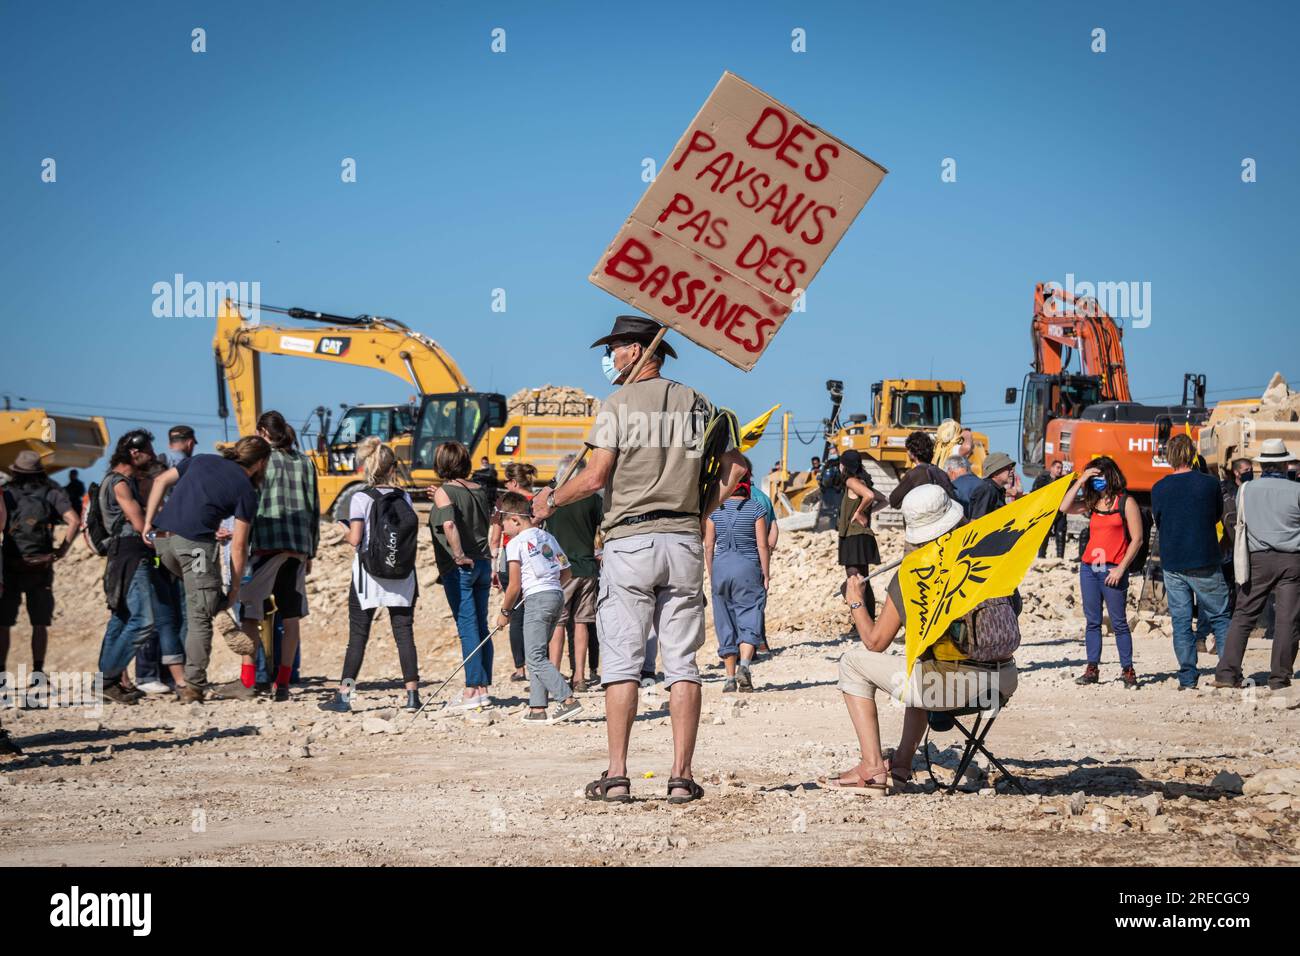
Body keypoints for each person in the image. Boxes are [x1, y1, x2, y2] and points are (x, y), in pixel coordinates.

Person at [531, 314, 746, 804]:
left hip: (630, 542)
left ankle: (617, 774)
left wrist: (550, 501)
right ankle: (681, 777)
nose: (611, 358)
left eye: (616, 348)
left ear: (637, 350)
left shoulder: (618, 403)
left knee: (624, 663)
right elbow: (734, 467)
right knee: (683, 663)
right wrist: (699, 510)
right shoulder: (697, 402)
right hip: (684, 541)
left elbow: (595, 477)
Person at [826, 485, 1020, 793]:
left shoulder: (915, 575)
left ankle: (873, 767)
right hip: (1003, 684)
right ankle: (901, 764)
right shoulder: (989, 559)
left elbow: (875, 642)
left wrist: (855, 601)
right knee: (920, 657)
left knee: (852, 663)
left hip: (955, 690)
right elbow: (1015, 607)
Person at [143, 436, 270, 702]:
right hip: (196, 549)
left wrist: (147, 523)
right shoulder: (246, 490)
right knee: (200, 616)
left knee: (199, 593)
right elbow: (238, 546)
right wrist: (234, 589)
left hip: (163, 544)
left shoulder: (201, 459)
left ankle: (214, 603)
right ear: (260, 463)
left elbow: (160, 481)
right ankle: (193, 685)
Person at [320, 438, 421, 713]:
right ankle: (413, 696)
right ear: (392, 467)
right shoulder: (405, 497)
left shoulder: (361, 498)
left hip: (369, 576)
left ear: (368, 465)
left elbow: (355, 539)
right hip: (402, 575)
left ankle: (344, 694)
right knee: (404, 634)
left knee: (358, 636)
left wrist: (342, 528)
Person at [228, 411, 320, 702]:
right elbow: (314, 507)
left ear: (260, 432)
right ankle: (282, 682)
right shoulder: (306, 462)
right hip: (298, 545)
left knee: (250, 610)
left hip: (266, 543)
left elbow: (249, 502)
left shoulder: (262, 460)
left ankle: (247, 680)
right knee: (291, 617)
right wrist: (311, 550)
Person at [1215, 439, 1300, 689]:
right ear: (1285, 464)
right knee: (1287, 620)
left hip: (1258, 559)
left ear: (1263, 464)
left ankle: (1227, 673)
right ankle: (1279, 678)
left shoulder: (1246, 490)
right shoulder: (1297, 491)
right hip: (1292, 560)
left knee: (1243, 615)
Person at [1151, 434, 1231, 689]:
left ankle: (1187, 677)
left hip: (1173, 561)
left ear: (1169, 457)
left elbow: (1159, 522)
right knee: (1220, 616)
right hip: (1205, 557)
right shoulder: (1209, 484)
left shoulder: (1159, 488)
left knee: (1181, 621)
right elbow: (1218, 516)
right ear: (1193, 453)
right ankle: (1228, 672)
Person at [496, 491, 582, 724]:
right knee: (538, 653)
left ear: (515, 519)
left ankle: (567, 700)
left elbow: (514, 585)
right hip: (556, 594)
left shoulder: (515, 543)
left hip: (538, 599)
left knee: (533, 657)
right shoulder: (547, 537)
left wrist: (505, 612)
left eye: (503, 521)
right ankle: (537, 708)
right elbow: (567, 571)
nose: (501, 527)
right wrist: (548, 586)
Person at [1060, 457, 1144, 689]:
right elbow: (1064, 507)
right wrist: (1081, 479)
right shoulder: (1092, 502)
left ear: (1111, 475)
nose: (1097, 481)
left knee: (1119, 623)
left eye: (1099, 476)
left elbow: (1137, 539)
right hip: (1090, 567)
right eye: (1093, 477)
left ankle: (1128, 670)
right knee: (1092, 622)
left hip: (1112, 569)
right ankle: (1092, 669)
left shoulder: (1125, 502)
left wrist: (1121, 568)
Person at [1, 450, 80, 688]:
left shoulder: (6, 493)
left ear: (15, 471)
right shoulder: (51, 492)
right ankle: (37, 672)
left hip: (11, 563)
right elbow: (74, 520)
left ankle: (1, 674)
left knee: (3, 623)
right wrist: (62, 550)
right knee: (40, 623)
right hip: (41, 565)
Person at [95, 431, 164, 704]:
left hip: (121, 556)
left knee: (121, 618)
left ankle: (109, 683)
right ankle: (107, 679)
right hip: (130, 555)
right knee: (143, 621)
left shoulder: (115, 481)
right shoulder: (120, 484)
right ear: (134, 453)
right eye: (148, 450)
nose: (152, 456)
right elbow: (141, 526)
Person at [429, 441, 495, 709]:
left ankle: (472, 691)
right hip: (483, 563)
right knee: (481, 626)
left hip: (462, 567)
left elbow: (448, 523)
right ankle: (482, 686)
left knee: (467, 627)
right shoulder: (478, 490)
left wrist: (457, 555)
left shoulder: (445, 491)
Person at [704, 472, 769, 692]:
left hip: (721, 568)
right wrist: (766, 573)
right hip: (748, 567)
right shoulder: (756, 509)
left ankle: (730, 679)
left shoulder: (714, 511)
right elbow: (762, 545)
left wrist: (712, 572)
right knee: (750, 614)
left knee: (725, 621)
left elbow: (709, 545)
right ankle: (745, 665)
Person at [544, 456, 603, 693]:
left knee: (558, 623)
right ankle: (579, 676)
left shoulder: (553, 501)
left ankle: (554, 673)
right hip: (588, 567)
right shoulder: (592, 501)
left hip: (561, 569)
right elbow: (604, 526)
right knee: (581, 623)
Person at [492, 461, 538, 683]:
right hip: (535, 559)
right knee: (536, 613)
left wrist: (494, 565)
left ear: (512, 481)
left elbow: (495, 536)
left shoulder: (505, 503)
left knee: (515, 614)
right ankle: (539, 661)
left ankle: (520, 667)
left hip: (511, 560)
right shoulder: (537, 501)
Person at [836, 450, 882, 618]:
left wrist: (859, 512)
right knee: (864, 581)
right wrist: (868, 512)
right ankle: (869, 619)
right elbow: (884, 500)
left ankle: (861, 623)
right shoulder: (863, 482)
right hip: (863, 536)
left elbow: (869, 496)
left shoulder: (851, 481)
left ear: (844, 465)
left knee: (854, 582)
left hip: (853, 536)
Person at [747, 457, 778, 654]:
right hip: (760, 556)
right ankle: (761, 642)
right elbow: (774, 527)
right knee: (758, 601)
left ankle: (745, 646)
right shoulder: (763, 498)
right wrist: (768, 550)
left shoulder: (731, 498)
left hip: (739, 554)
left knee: (738, 603)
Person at [887, 432, 956, 509]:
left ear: (912, 453)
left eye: (908, 450)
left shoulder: (914, 474)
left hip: (921, 519)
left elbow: (894, 500)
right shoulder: (941, 472)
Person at [968, 451, 1022, 520]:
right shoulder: (987, 489)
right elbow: (976, 521)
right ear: (995, 472)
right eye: (1008, 468)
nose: (1012, 471)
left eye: (1011, 468)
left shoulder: (996, 490)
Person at [1032, 461, 1068, 558]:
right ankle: (1041, 556)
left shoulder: (1064, 480)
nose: (1059, 470)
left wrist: (1067, 477)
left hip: (1060, 511)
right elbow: (1034, 493)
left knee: (1061, 533)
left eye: (1061, 468)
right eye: (1057, 467)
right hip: (1046, 510)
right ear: (1051, 468)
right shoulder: (1042, 478)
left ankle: (1060, 557)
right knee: (1044, 534)